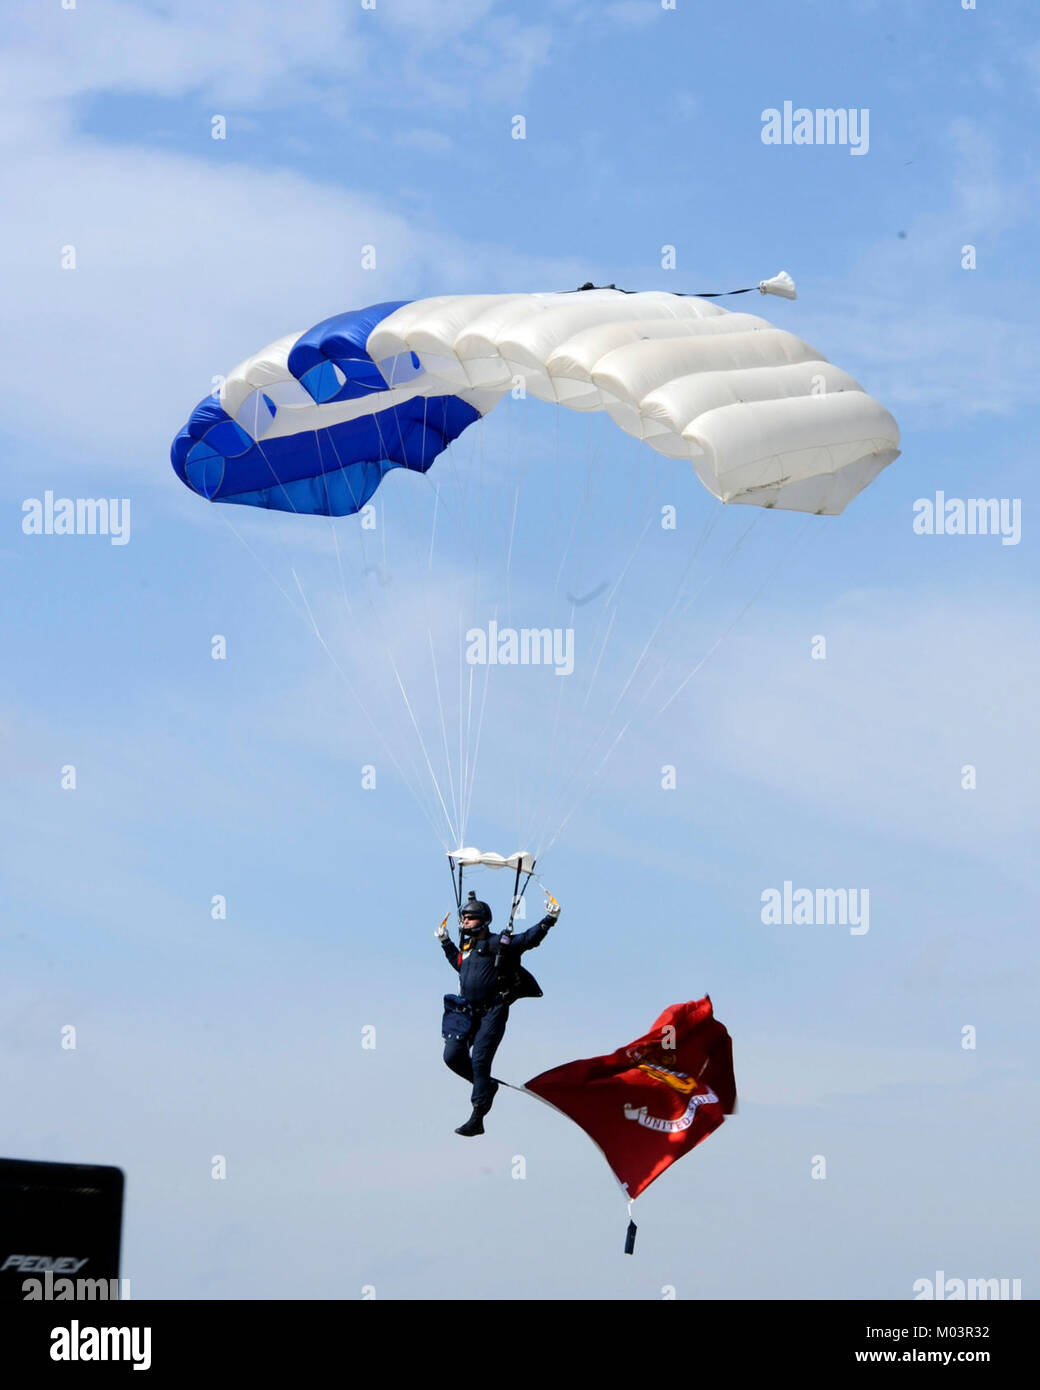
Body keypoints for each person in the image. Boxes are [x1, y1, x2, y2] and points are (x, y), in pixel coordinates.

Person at [437, 889, 560, 1136]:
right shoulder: (468, 948)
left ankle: (477, 1115)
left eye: (469, 918)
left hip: (492, 1011)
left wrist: (549, 921)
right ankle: (486, 1085)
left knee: (481, 1060)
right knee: (452, 1056)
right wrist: (446, 943)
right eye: (463, 919)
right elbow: (459, 966)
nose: (464, 922)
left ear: (482, 920)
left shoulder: (498, 944)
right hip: (468, 1012)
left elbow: (527, 939)